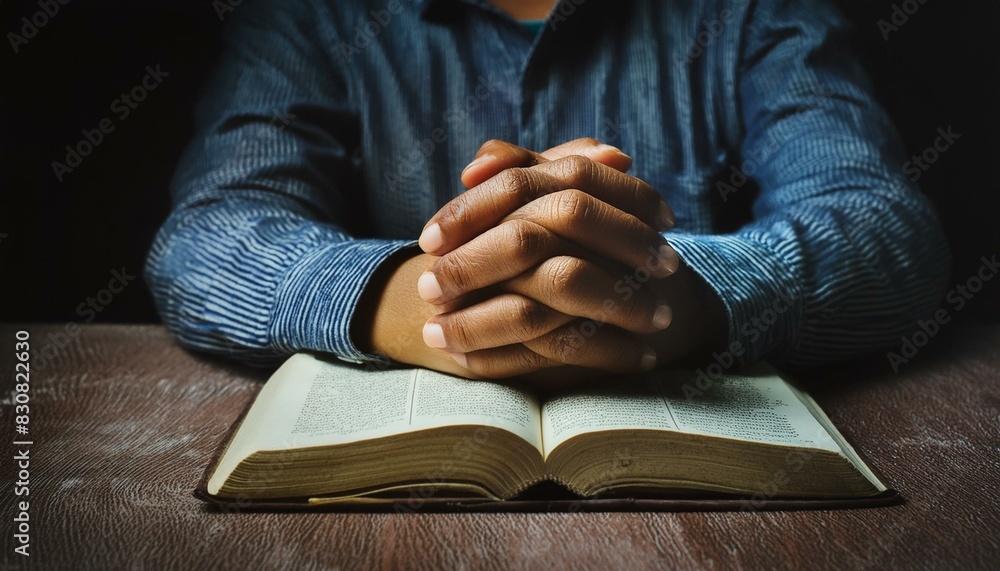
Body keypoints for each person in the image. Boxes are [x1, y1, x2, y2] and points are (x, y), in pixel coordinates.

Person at [145, 0, 950, 382]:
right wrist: (424, 301)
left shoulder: (755, 11)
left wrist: (675, 298)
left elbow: (880, 221)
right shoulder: (310, 16)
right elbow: (212, 227)